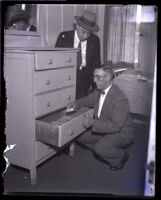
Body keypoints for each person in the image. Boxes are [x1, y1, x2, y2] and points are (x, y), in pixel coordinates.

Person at [67, 65, 135, 170]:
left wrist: (93, 123)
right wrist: (76, 103)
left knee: (100, 148)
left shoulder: (120, 99)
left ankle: (120, 155)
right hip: (104, 127)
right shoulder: (98, 91)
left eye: (98, 77)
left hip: (121, 132)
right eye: (94, 77)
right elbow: (87, 100)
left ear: (107, 78)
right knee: (79, 136)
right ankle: (104, 146)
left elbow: (115, 126)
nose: (94, 80)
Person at [55, 10, 101, 99]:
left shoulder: (95, 40)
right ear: (77, 25)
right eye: (84, 31)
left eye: (89, 33)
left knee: (80, 104)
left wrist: (96, 84)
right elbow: (57, 59)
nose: (86, 35)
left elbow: (96, 63)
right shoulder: (64, 37)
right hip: (66, 74)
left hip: (85, 76)